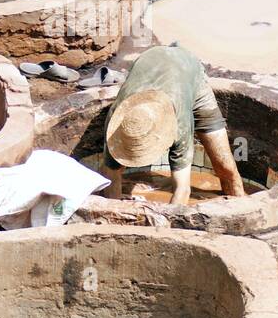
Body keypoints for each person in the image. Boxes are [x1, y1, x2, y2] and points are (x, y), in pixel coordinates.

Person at [102, 45, 246, 206]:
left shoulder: (179, 124)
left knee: (224, 166)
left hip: (186, 70)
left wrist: (165, 227)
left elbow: (183, 190)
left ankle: (241, 201)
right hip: (150, 61)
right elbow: (110, 181)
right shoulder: (118, 123)